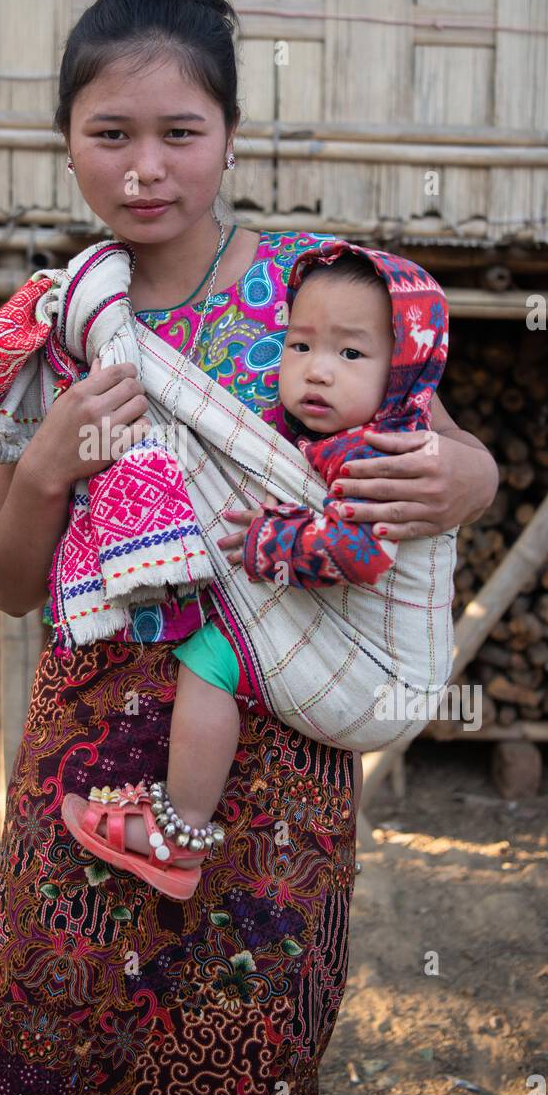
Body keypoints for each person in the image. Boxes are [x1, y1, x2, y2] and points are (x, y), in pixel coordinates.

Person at [0, 0, 497, 1091]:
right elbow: (2, 581)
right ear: (65, 147)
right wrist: (52, 459)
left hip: (277, 752)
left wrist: (476, 478)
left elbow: (442, 449)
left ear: (230, 140)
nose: (143, 168)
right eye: (109, 135)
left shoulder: (315, 292)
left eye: (178, 134)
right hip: (90, 769)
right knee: (63, 1045)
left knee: (239, 1053)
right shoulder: (48, 333)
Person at [60, 244, 452, 901]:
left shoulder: (381, 454)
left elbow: (363, 555)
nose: (317, 373)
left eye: (351, 355)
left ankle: (178, 833)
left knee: (210, 660)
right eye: (299, 347)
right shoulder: (330, 441)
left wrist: (273, 539)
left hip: (377, 670)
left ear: (406, 369)